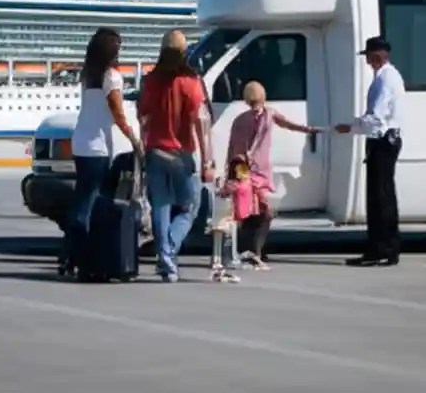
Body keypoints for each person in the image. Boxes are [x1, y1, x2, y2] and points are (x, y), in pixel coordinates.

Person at [59, 27, 142, 278]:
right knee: (90, 204)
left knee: (82, 200)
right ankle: (83, 258)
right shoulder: (112, 76)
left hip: (81, 142)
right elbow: (118, 113)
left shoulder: (88, 75)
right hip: (98, 147)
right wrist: (134, 139)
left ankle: (69, 256)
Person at [137, 29, 212, 283]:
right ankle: (167, 252)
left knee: (161, 206)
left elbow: (143, 119)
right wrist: (208, 160)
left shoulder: (149, 81)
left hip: (155, 151)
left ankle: (166, 261)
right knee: (191, 207)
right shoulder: (192, 82)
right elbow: (201, 122)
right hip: (182, 153)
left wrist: (142, 148)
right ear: (184, 52)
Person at [226, 80, 321, 270]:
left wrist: (230, 172)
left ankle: (251, 249)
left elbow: (232, 148)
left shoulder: (240, 119)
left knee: (250, 209)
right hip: (258, 169)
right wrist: (309, 129)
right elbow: (289, 125)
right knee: (264, 210)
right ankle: (255, 251)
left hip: (243, 169)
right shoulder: (269, 114)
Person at [335, 36, 405, 267]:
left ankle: (380, 249)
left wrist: (352, 127)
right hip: (389, 139)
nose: (367, 62)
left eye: (368, 57)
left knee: (379, 198)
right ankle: (388, 248)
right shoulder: (390, 76)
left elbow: (376, 116)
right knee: (385, 195)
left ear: (376, 56)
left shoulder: (384, 80)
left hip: (382, 141)